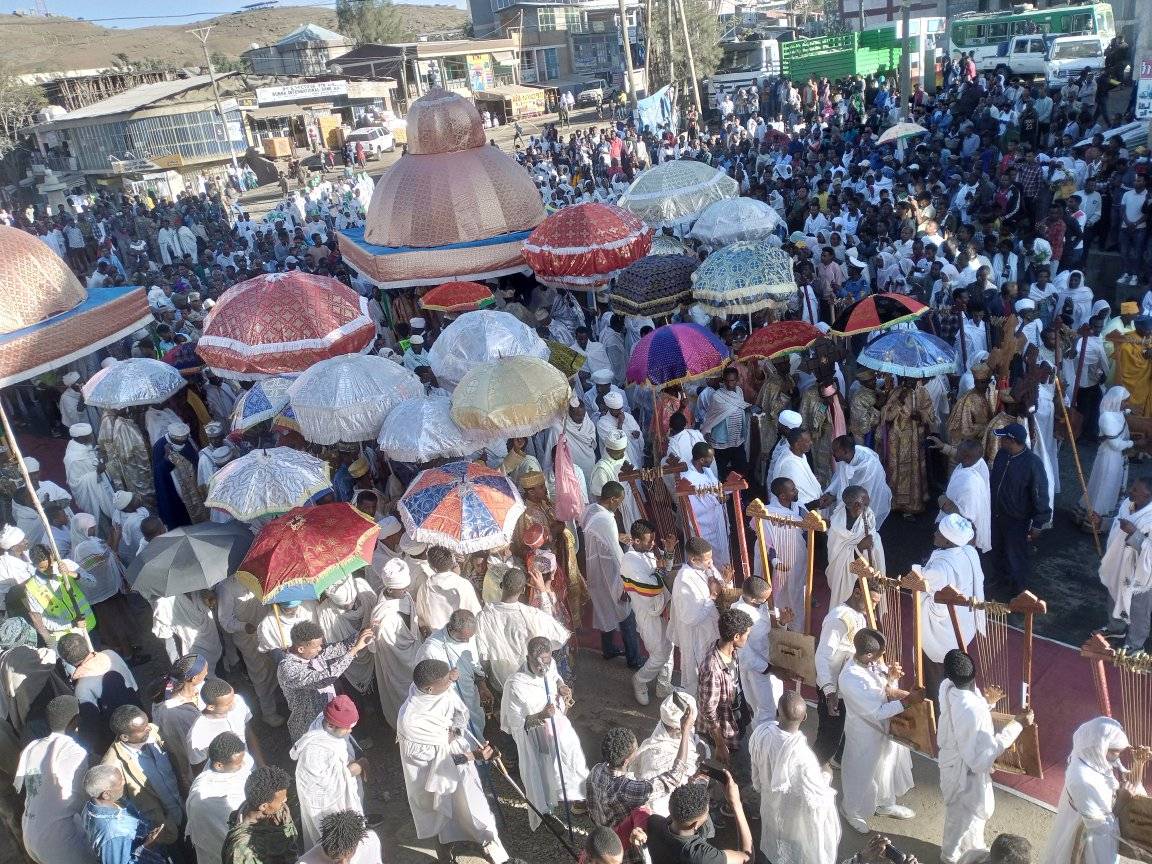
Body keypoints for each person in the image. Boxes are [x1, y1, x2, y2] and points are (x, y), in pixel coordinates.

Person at [396, 659, 510, 864]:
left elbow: (459, 711)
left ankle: (492, 849)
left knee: (477, 809)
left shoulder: (438, 688)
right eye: (447, 682)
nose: (451, 684)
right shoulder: (411, 720)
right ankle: (445, 857)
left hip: (460, 764)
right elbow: (435, 764)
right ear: (429, 689)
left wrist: (456, 729)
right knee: (441, 816)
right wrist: (473, 756)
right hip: (434, 777)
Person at [938, 650, 1031, 864]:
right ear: (974, 674)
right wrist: (1018, 724)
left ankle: (957, 853)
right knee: (965, 820)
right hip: (965, 775)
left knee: (960, 819)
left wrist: (987, 703)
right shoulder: (972, 708)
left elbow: (963, 724)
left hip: (951, 764)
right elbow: (982, 758)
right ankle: (953, 858)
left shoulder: (947, 688)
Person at [838, 628, 923, 834]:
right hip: (864, 734)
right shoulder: (850, 677)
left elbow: (883, 691)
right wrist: (907, 702)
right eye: (878, 655)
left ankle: (885, 803)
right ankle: (851, 810)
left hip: (884, 729)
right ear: (867, 654)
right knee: (860, 772)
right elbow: (877, 711)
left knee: (886, 767)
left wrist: (891, 678)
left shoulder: (869, 663)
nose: (880, 659)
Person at [500, 636, 590, 830]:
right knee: (544, 774)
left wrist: (562, 687)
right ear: (527, 657)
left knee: (573, 759)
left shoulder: (550, 664)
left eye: (547, 661)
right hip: (536, 737)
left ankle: (579, 798)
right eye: (538, 663)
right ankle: (546, 810)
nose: (543, 667)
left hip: (559, 725)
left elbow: (555, 677)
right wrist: (540, 715)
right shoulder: (516, 683)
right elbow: (517, 724)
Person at [747, 691, 840, 864]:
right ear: (805, 717)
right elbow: (817, 798)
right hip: (791, 816)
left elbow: (755, 764)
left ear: (777, 711)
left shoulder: (761, 733)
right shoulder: (804, 757)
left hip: (768, 803)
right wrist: (826, 775)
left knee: (772, 839)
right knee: (789, 848)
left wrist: (759, 784)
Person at [1039, 716, 1132, 864]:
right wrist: (1121, 801)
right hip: (1089, 842)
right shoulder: (1082, 779)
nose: (1118, 758)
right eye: (1115, 752)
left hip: (1092, 826)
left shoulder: (1089, 757)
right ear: (1100, 747)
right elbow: (1101, 830)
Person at [914, 514, 986, 697]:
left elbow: (918, 581)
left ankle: (937, 710)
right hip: (962, 623)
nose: (935, 533)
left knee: (934, 672)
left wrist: (913, 571)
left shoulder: (942, 567)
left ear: (947, 541)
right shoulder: (969, 552)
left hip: (941, 630)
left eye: (939, 531)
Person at [14, 695, 92, 864]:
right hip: (57, 837)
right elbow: (78, 797)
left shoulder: (33, 746)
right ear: (76, 720)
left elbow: (31, 788)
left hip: (30, 832)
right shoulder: (74, 751)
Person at [814, 578, 879, 767]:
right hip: (833, 690)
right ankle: (810, 773)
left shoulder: (860, 614)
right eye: (872, 601)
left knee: (844, 728)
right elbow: (822, 656)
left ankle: (836, 760)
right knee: (828, 738)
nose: (873, 607)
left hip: (846, 686)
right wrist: (829, 692)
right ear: (858, 593)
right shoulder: (839, 619)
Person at [100, 705, 182, 852]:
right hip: (165, 828)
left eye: (147, 723)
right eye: (143, 728)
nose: (148, 728)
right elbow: (119, 807)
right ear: (125, 737)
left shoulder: (153, 731)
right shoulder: (112, 767)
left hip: (185, 809)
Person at [289, 695, 367, 849]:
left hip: (346, 792)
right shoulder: (314, 750)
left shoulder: (329, 726)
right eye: (347, 728)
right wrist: (352, 770)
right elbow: (317, 789)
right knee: (335, 842)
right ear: (331, 725)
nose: (350, 731)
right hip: (329, 808)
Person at [277, 621, 374, 742]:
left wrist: (364, 632)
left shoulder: (313, 652)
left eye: (320, 645)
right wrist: (354, 651)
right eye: (316, 647)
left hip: (329, 720)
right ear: (301, 648)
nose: (320, 649)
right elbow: (324, 678)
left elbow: (342, 647)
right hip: (309, 727)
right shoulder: (287, 668)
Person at [475, 568, 570, 690]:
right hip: (532, 679)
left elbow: (481, 655)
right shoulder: (532, 614)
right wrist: (542, 592)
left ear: (501, 585)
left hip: (501, 683)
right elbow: (555, 636)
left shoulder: (483, 617)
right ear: (523, 590)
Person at [582, 481, 641, 667]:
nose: (620, 505)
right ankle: (634, 659)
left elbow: (597, 534)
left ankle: (608, 649)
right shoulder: (606, 520)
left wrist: (617, 536)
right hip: (611, 573)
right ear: (613, 499)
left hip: (596, 570)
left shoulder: (592, 509)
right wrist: (626, 581)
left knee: (603, 609)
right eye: (620, 501)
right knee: (626, 614)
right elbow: (617, 555)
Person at [989, 423, 1051, 595]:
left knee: (1016, 554)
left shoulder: (1033, 464)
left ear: (1012, 441)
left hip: (1016, 519)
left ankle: (1019, 588)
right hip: (996, 514)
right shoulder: (1002, 455)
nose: (1000, 441)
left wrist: (1038, 524)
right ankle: (1000, 579)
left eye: (1003, 438)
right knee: (997, 549)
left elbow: (1040, 495)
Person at [415, 609, 492, 739]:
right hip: (448, 704)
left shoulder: (468, 637)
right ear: (451, 629)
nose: (467, 641)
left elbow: (475, 666)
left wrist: (482, 686)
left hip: (471, 697)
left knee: (476, 730)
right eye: (463, 639)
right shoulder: (431, 649)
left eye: (469, 638)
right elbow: (425, 684)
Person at [622, 520, 675, 706]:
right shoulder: (629, 561)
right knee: (659, 653)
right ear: (635, 541)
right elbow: (650, 589)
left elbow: (664, 570)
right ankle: (639, 680)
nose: (653, 544)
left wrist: (668, 552)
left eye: (653, 540)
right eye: (648, 541)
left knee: (670, 646)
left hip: (663, 608)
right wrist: (661, 571)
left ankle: (663, 684)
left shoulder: (647, 552)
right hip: (648, 613)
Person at [626, 693, 702, 818]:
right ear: (683, 726)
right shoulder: (658, 759)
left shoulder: (665, 728)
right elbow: (675, 776)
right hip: (661, 816)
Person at [645, 777, 753, 864]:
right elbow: (748, 858)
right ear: (696, 824)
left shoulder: (653, 823)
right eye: (707, 812)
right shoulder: (703, 856)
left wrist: (692, 791)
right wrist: (736, 804)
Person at [368, 558, 423, 729]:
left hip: (416, 654)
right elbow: (387, 646)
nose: (406, 590)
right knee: (403, 697)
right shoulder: (383, 615)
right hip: (397, 664)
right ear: (390, 588)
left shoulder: (405, 596)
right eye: (402, 588)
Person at [668, 537, 725, 697]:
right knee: (695, 680)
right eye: (707, 559)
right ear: (694, 559)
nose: (711, 562)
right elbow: (691, 617)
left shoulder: (704, 568)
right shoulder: (684, 580)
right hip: (695, 639)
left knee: (710, 678)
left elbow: (719, 583)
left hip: (709, 633)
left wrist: (718, 578)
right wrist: (712, 596)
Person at [186, 731, 253, 864]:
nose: (243, 765)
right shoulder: (203, 797)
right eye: (238, 764)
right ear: (219, 766)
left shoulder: (239, 763)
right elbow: (217, 834)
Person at [697, 608, 753, 766]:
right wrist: (721, 745)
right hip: (725, 731)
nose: (747, 638)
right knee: (739, 768)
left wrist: (743, 704)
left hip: (737, 716)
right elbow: (708, 711)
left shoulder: (730, 651)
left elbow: (734, 683)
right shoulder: (712, 669)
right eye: (746, 635)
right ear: (736, 637)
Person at [81, 764, 165, 864]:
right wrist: (145, 846)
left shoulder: (90, 806)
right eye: (120, 782)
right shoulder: (113, 833)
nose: (124, 782)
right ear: (106, 794)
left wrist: (143, 840)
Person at [221, 765, 300, 864]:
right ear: (263, 806)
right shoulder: (242, 850)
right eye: (281, 800)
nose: (285, 801)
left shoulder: (278, 813)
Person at [881, 378, 937, 517]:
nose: (911, 382)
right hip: (898, 440)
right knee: (897, 470)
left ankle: (913, 504)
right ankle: (896, 503)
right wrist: (899, 401)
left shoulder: (923, 392)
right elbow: (887, 417)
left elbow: (931, 415)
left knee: (914, 470)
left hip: (916, 438)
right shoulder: (896, 393)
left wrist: (920, 416)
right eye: (908, 379)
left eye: (913, 379)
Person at [826, 486, 886, 608]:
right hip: (845, 573)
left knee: (868, 603)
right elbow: (836, 557)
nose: (869, 506)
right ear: (857, 505)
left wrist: (872, 543)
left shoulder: (868, 516)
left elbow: (873, 538)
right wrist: (859, 548)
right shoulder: (837, 526)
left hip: (866, 572)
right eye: (866, 503)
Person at [186, 678, 264, 771]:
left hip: (251, 768)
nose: (234, 703)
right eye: (228, 703)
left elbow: (248, 732)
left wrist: (261, 764)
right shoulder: (197, 735)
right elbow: (199, 769)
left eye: (233, 697)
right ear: (211, 707)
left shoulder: (238, 701)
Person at [822, 435, 892, 529]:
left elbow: (863, 496)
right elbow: (840, 482)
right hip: (853, 495)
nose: (832, 453)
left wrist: (836, 498)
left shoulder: (868, 466)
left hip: (869, 496)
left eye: (835, 451)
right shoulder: (845, 458)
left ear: (845, 452)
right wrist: (831, 495)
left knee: (859, 527)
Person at [680, 443, 731, 569]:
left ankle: (724, 577)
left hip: (717, 519)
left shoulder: (707, 470)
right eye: (710, 457)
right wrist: (718, 500)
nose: (713, 459)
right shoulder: (688, 478)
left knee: (722, 552)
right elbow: (693, 505)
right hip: (704, 525)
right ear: (701, 460)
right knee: (708, 556)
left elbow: (716, 487)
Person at [938, 439, 992, 554]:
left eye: (958, 451)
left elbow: (965, 515)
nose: (955, 451)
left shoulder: (969, 482)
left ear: (966, 458)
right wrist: (943, 446)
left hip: (958, 533)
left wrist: (942, 501)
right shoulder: (976, 462)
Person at [414, 545, 481, 635]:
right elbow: (475, 612)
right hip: (461, 636)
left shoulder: (425, 587)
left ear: (431, 566)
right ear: (451, 562)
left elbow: (421, 617)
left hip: (437, 637)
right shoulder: (464, 584)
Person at [64, 424, 115, 525]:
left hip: (103, 487)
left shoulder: (85, 447)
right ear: (80, 438)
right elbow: (75, 483)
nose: (92, 436)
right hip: (93, 495)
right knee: (104, 522)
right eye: (89, 435)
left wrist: (99, 456)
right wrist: (96, 473)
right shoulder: (73, 458)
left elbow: (92, 461)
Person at [298, 810, 383, 864]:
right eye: (335, 859)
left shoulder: (371, 841)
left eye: (348, 856)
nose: (343, 863)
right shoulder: (305, 862)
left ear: (356, 844)